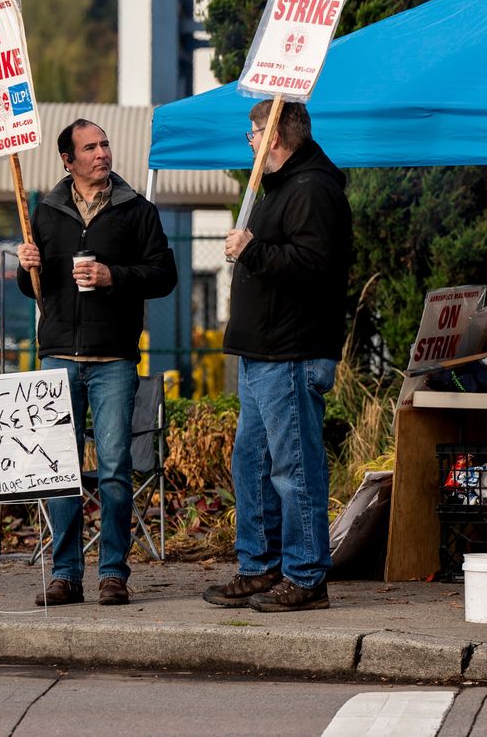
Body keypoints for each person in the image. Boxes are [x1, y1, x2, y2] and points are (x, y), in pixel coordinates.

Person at [17, 119, 177, 607]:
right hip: (58, 356)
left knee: (113, 469)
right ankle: (65, 574)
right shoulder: (45, 212)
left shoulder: (136, 210)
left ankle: (113, 574)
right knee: (57, 471)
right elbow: (35, 290)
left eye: (104, 144)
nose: (102, 153)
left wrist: (113, 276)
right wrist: (27, 268)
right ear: (68, 160)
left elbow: (164, 274)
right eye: (90, 148)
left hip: (113, 358)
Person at [203, 100, 352, 612]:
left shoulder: (313, 189)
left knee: (294, 467)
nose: (250, 143)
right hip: (262, 349)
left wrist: (252, 251)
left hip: (290, 350)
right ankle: (260, 566)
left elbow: (315, 267)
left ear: (277, 137)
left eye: (254, 134)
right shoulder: (285, 187)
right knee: (252, 460)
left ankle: (306, 574)